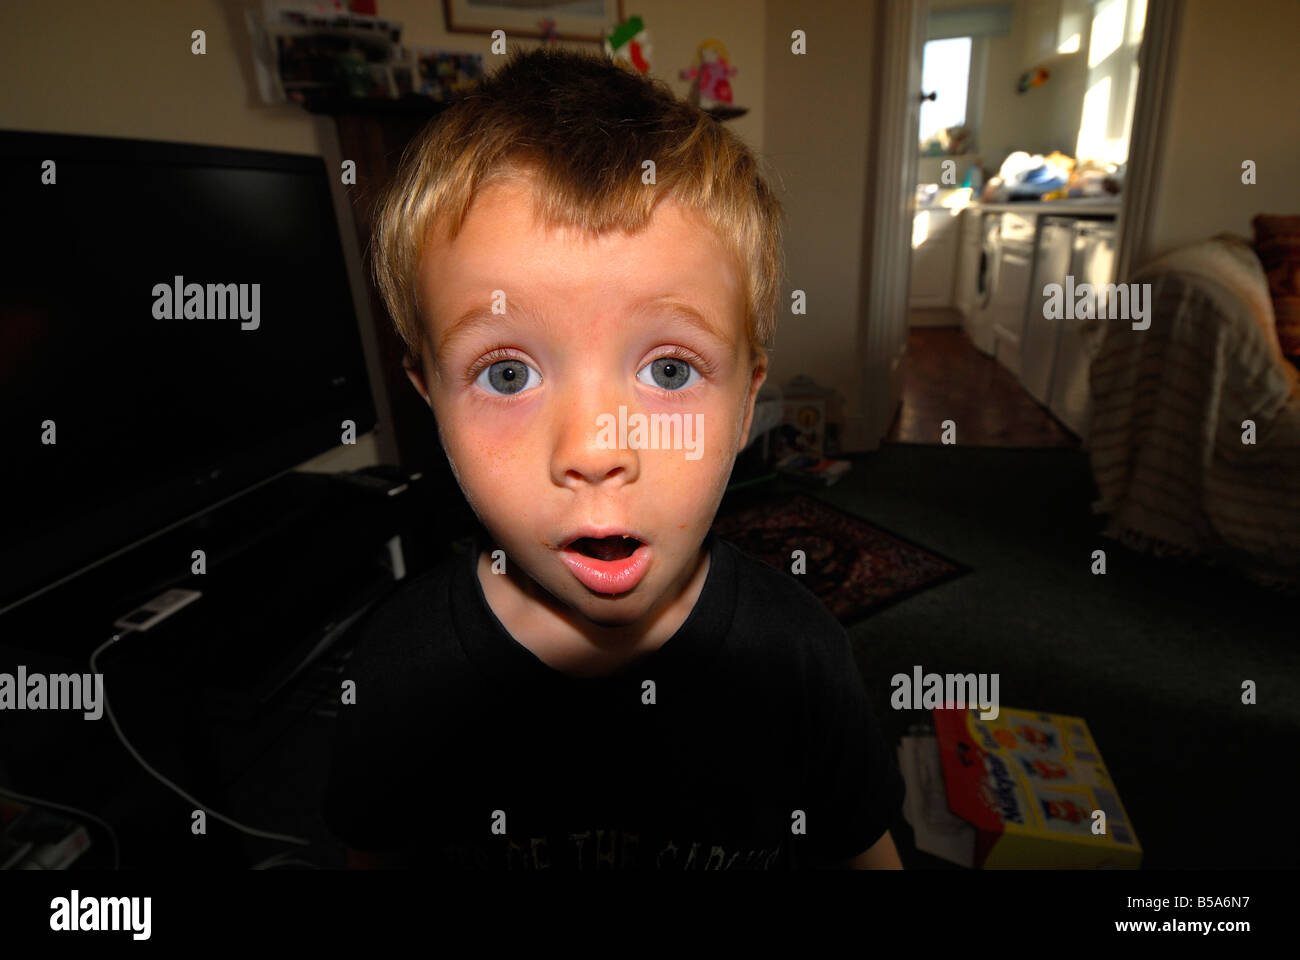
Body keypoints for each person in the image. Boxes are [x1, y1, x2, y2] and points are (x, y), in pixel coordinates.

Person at [322, 45, 904, 871]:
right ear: (430, 401)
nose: (595, 451)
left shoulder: (800, 663)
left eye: (669, 371)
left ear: (746, 405)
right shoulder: (398, 677)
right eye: (507, 373)